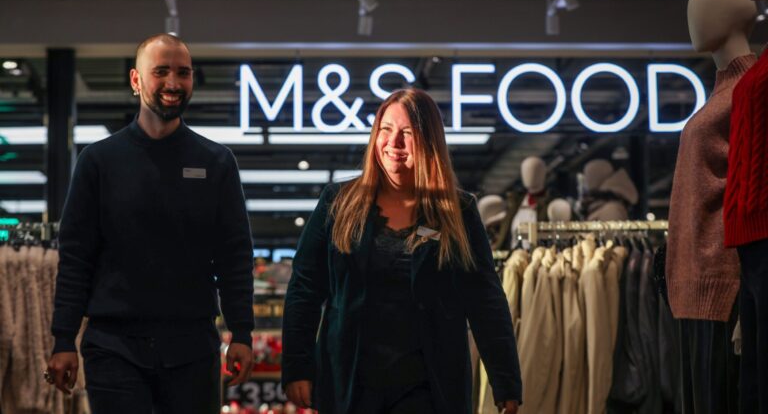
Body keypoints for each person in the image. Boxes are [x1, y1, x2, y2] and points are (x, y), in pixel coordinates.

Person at [45, 34, 255, 413]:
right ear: (136, 80)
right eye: (161, 72)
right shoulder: (98, 162)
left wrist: (242, 331)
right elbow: (76, 258)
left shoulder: (217, 162)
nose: (174, 83)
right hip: (114, 347)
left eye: (183, 73)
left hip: (193, 347)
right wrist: (63, 339)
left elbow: (234, 256)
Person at [281, 88, 522, 414]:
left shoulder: (457, 211)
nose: (393, 143)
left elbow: (485, 299)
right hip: (350, 385)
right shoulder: (338, 202)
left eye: (407, 133)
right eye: (386, 130)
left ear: (429, 141)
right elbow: (304, 289)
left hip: (429, 388)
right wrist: (297, 367)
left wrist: (505, 380)